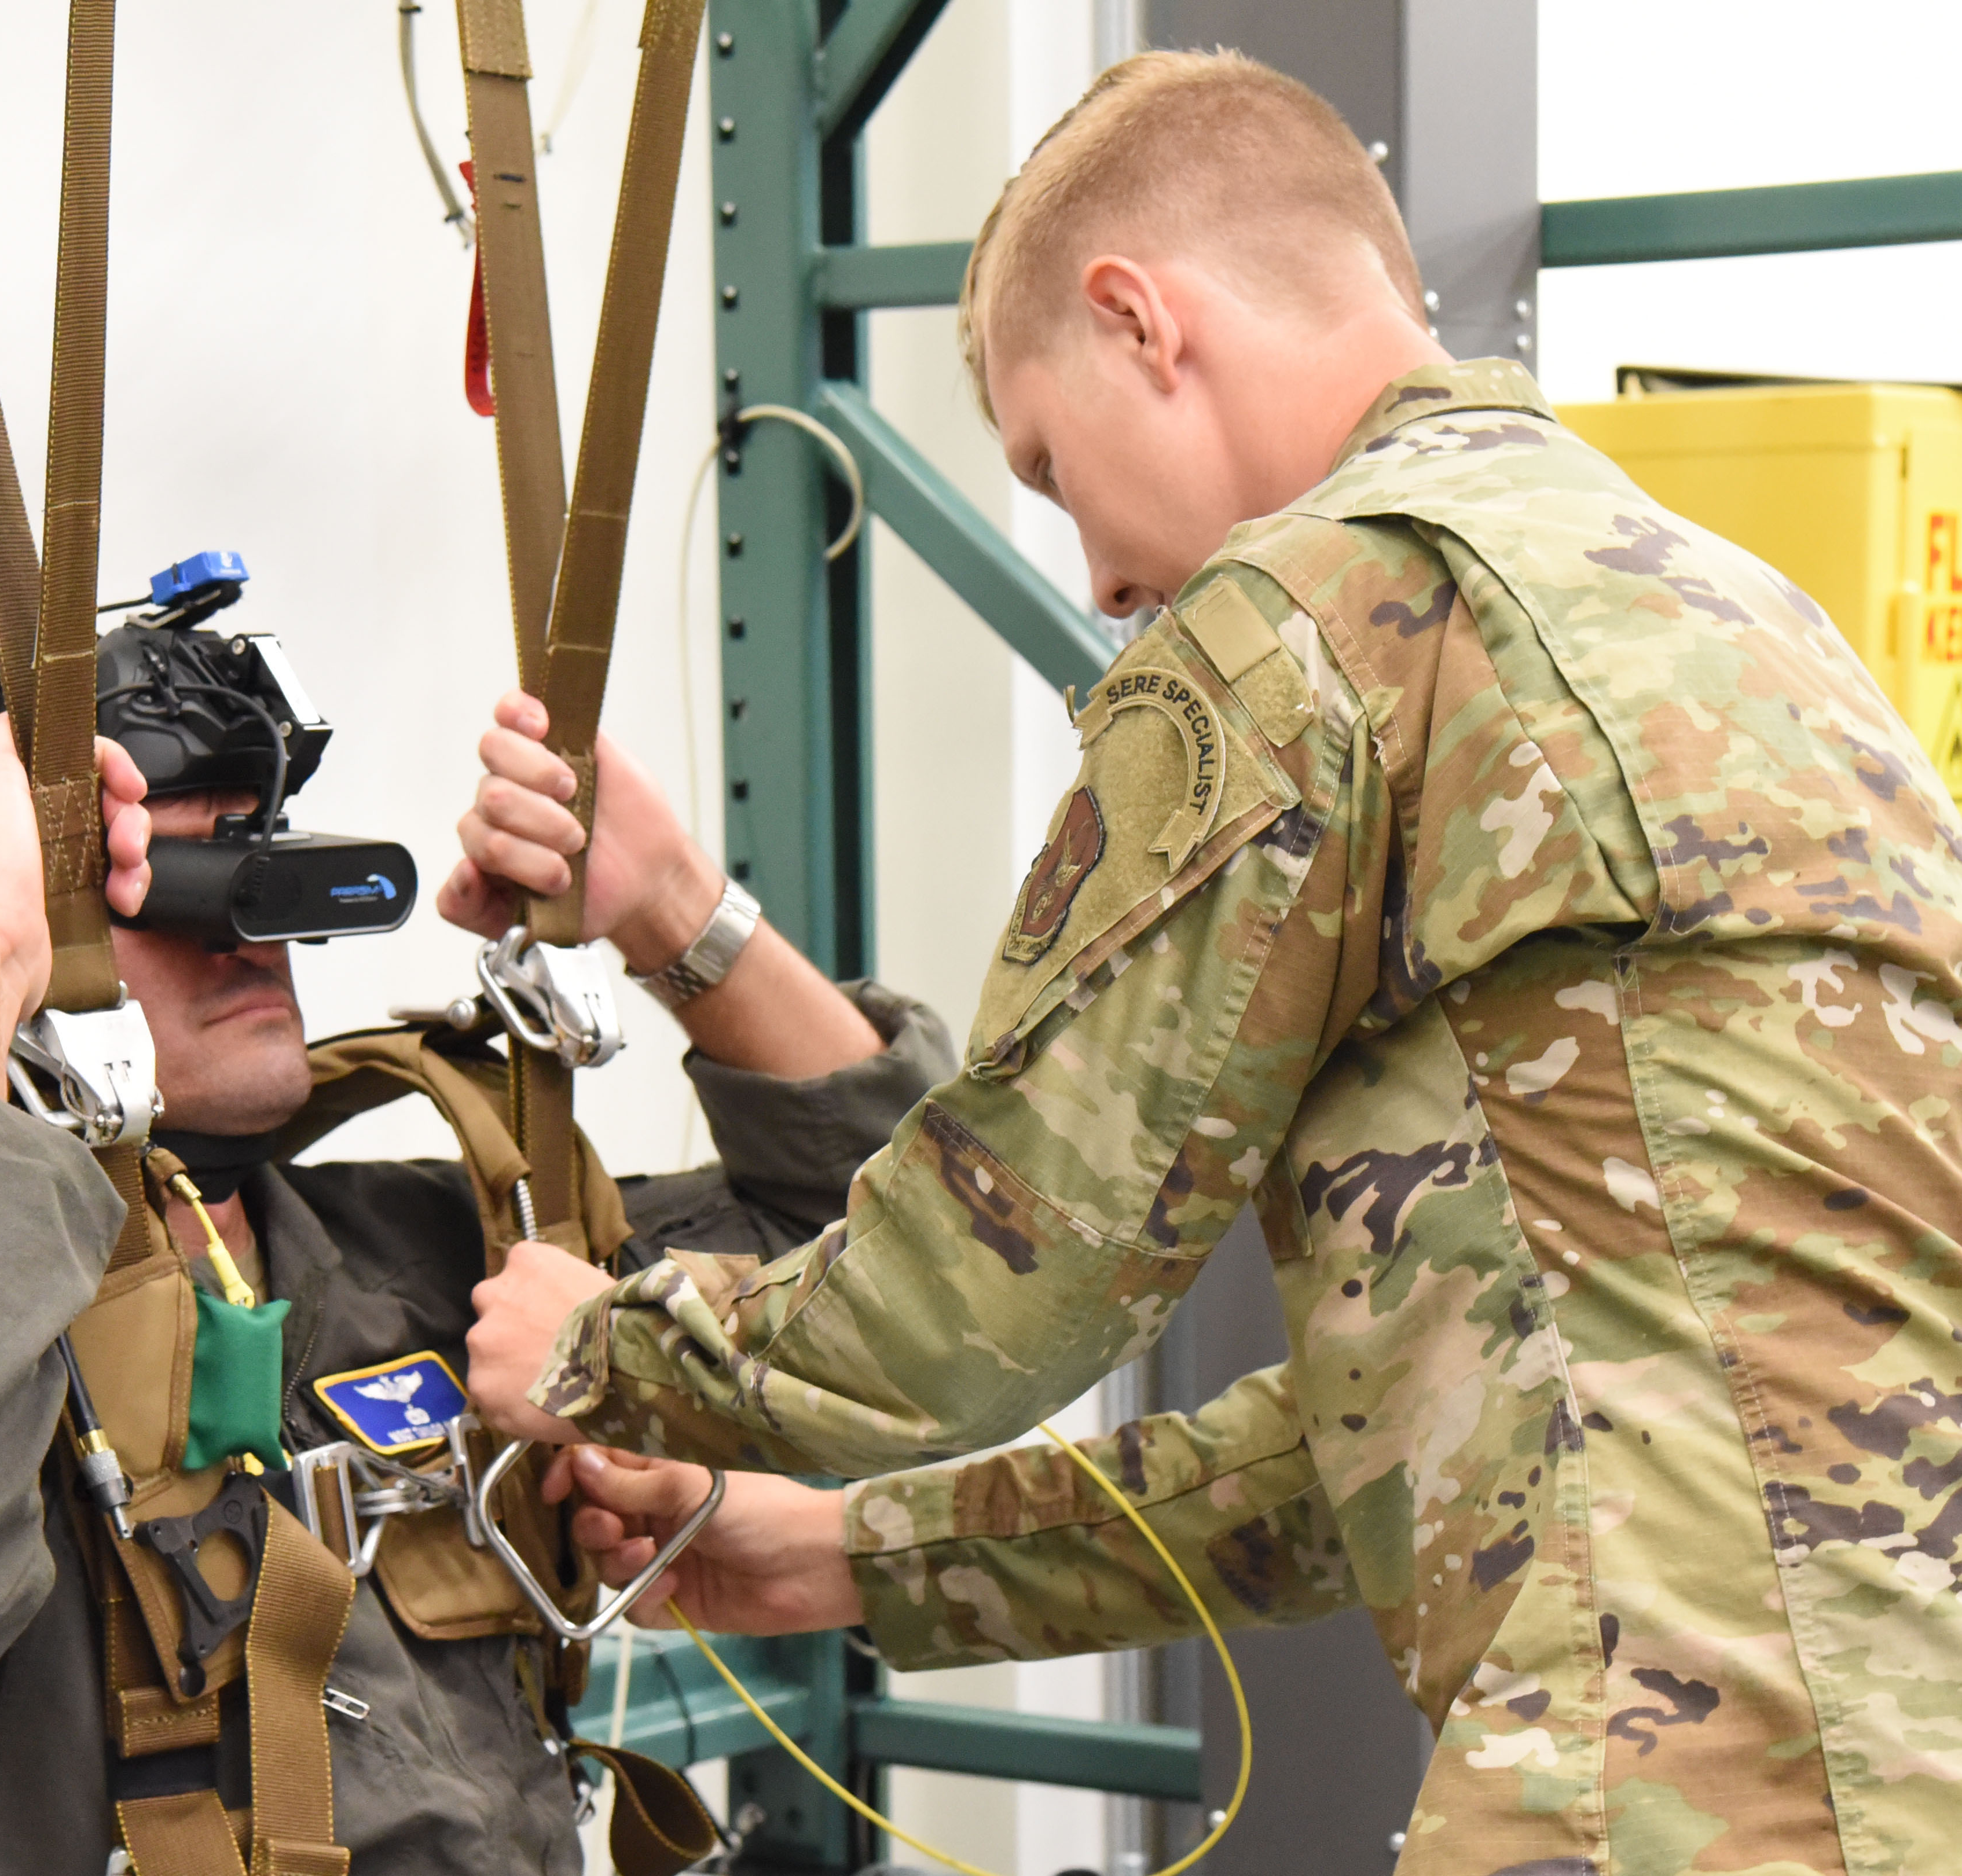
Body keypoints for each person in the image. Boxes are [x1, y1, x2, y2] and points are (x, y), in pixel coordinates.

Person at [456, 47, 1962, 1876]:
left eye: (1045, 463)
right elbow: (1428, 1429)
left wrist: (605, 1350)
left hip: (1654, 1800)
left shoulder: (1306, 623)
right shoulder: (1740, 618)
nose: (1092, 572)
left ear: (1136, 320)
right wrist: (842, 1552)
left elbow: (994, 1282)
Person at [0, 615, 955, 1875]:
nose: (255, 932)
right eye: (168, 879)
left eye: (259, 852)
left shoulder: (439, 1259)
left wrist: (670, 904)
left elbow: (927, 1276)